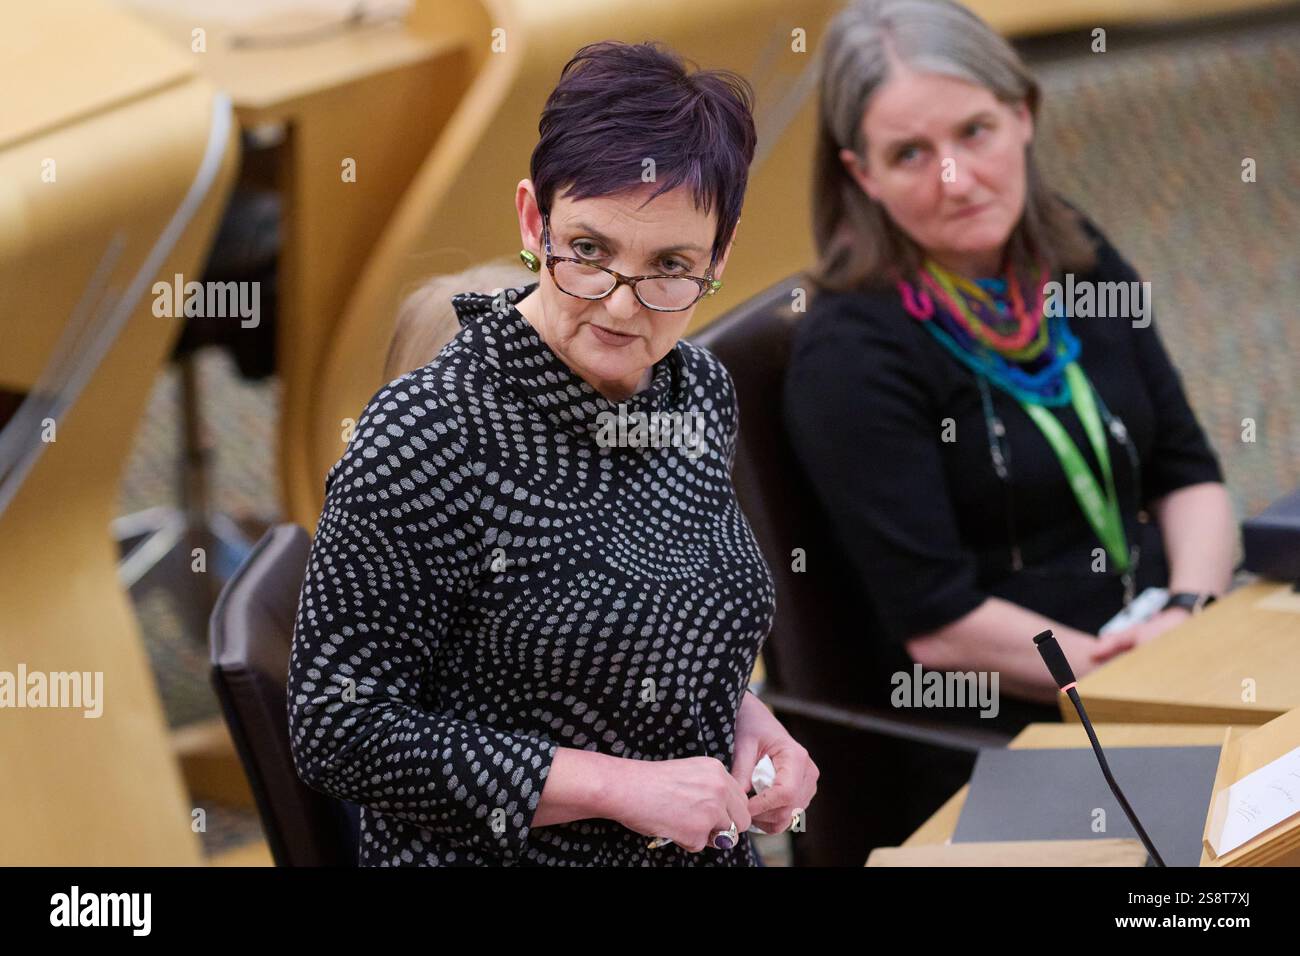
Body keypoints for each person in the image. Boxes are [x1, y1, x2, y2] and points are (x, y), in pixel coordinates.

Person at [288, 40, 818, 867]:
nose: (620, 304)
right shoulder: (427, 433)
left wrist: (758, 730)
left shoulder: (699, 390)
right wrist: (615, 786)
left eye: (671, 267)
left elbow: (670, 637)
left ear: (721, 256)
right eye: (590, 250)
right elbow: (337, 729)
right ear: (534, 221)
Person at [785, 0, 1237, 737]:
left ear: (1022, 114)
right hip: (1012, 718)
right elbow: (942, 627)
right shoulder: (848, 357)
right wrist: (1133, 677)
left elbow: (1189, 470)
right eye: (910, 154)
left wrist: (1192, 608)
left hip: (1166, 637)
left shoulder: (1073, 253)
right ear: (861, 174)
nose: (957, 180)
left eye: (974, 131)